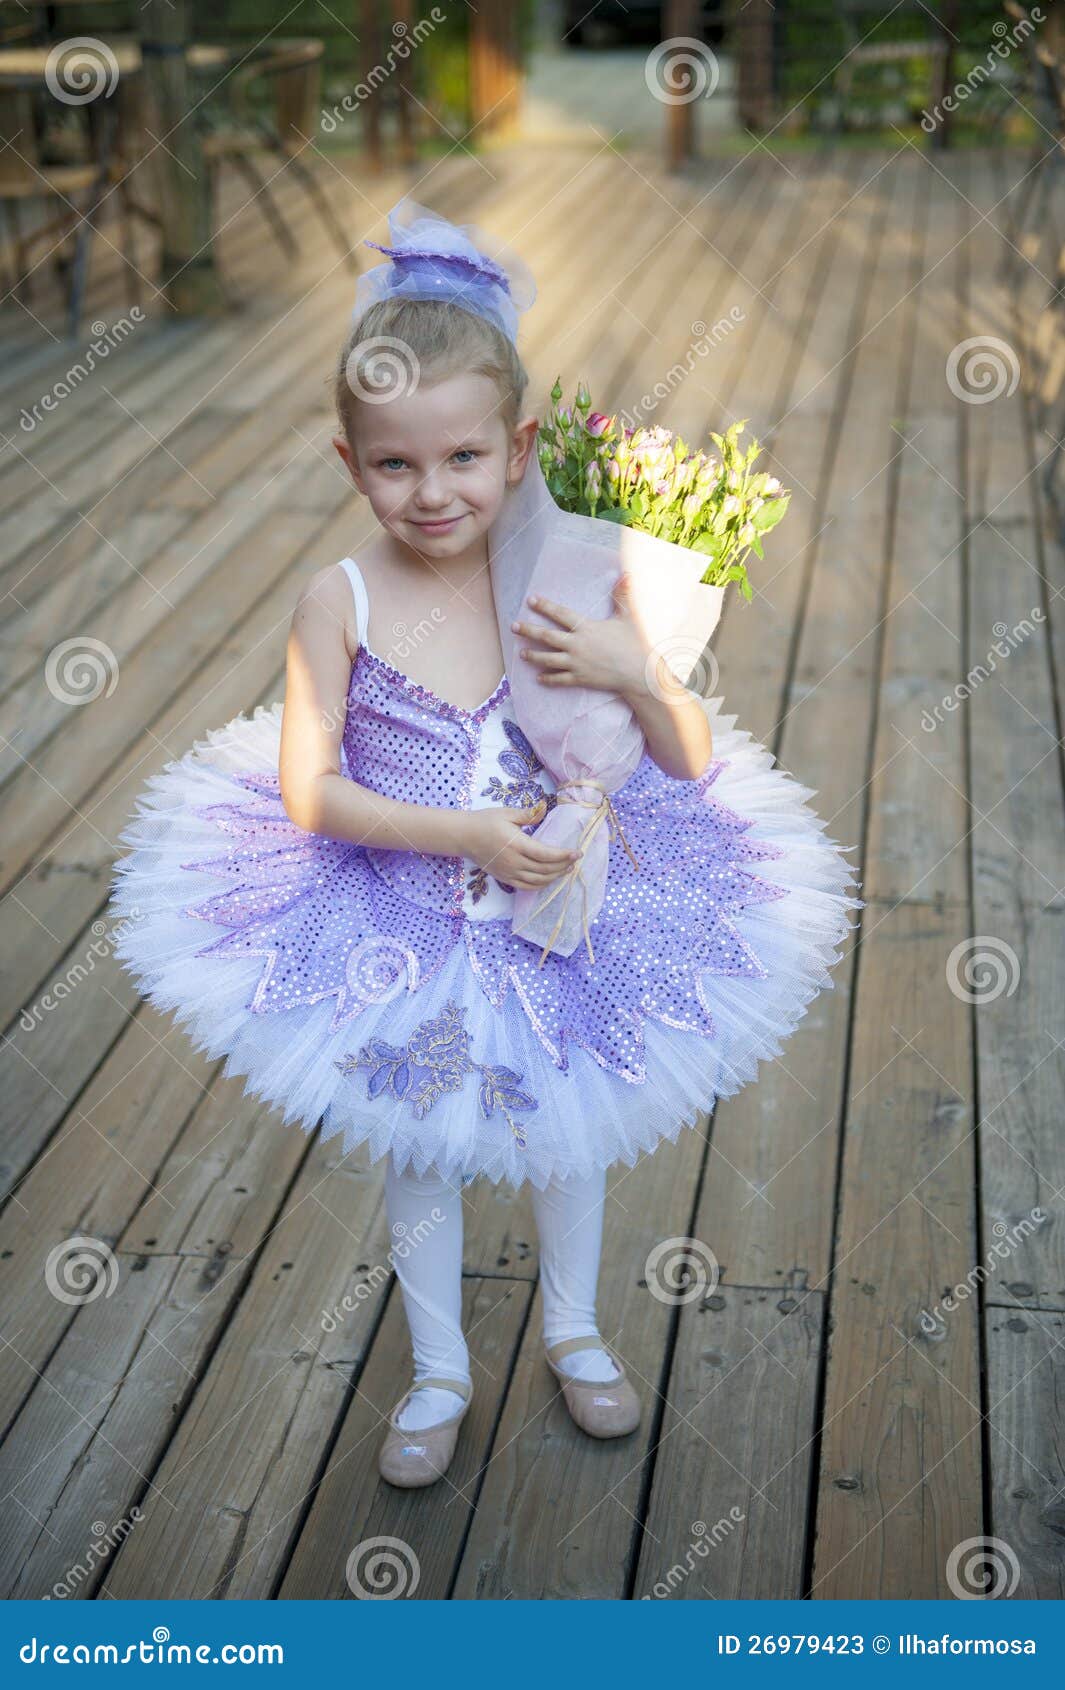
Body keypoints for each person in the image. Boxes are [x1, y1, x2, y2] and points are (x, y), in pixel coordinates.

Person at [109, 200, 858, 1490]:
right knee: (420, 1143)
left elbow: (687, 760)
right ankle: (440, 1365)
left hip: (568, 905)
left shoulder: (573, 580)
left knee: (569, 1126)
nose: (433, 492)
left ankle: (571, 1327)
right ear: (350, 464)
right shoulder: (336, 601)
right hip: (400, 919)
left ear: (517, 452)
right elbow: (309, 792)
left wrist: (634, 666)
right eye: (395, 466)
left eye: (462, 458)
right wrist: (458, 833)